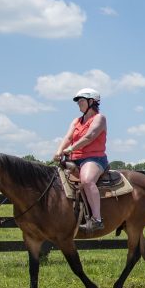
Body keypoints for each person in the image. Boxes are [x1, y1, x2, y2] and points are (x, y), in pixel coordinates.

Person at [54, 88, 108, 233]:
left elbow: (89, 137)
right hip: (75, 159)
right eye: (78, 102)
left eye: (82, 101)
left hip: (94, 158)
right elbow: (68, 137)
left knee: (87, 180)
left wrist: (71, 149)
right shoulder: (76, 121)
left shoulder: (99, 118)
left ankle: (97, 219)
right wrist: (59, 151)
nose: (79, 104)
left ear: (92, 102)